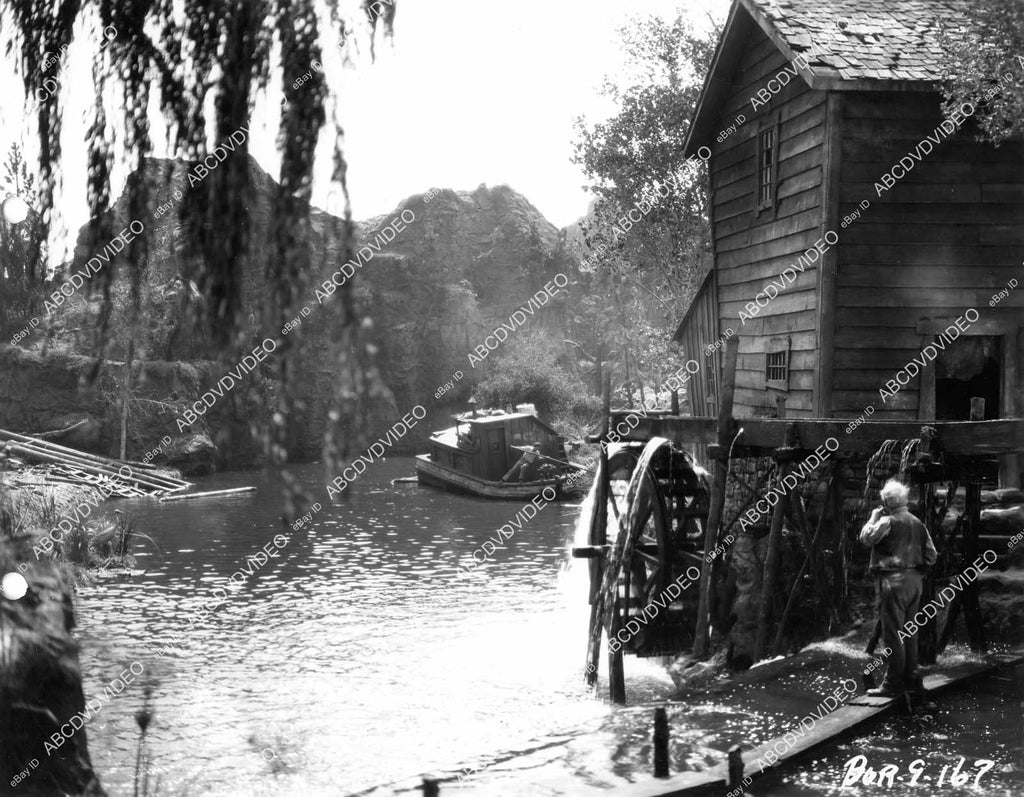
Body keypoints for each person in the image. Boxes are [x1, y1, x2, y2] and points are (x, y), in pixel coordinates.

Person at [858, 479, 937, 701]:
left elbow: (866, 538)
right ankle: (913, 680)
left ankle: (892, 684)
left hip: (892, 581)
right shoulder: (918, 523)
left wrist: (873, 517)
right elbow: (932, 555)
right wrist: (916, 571)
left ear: (886, 501)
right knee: (911, 632)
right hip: (914, 581)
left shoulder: (886, 520)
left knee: (893, 635)